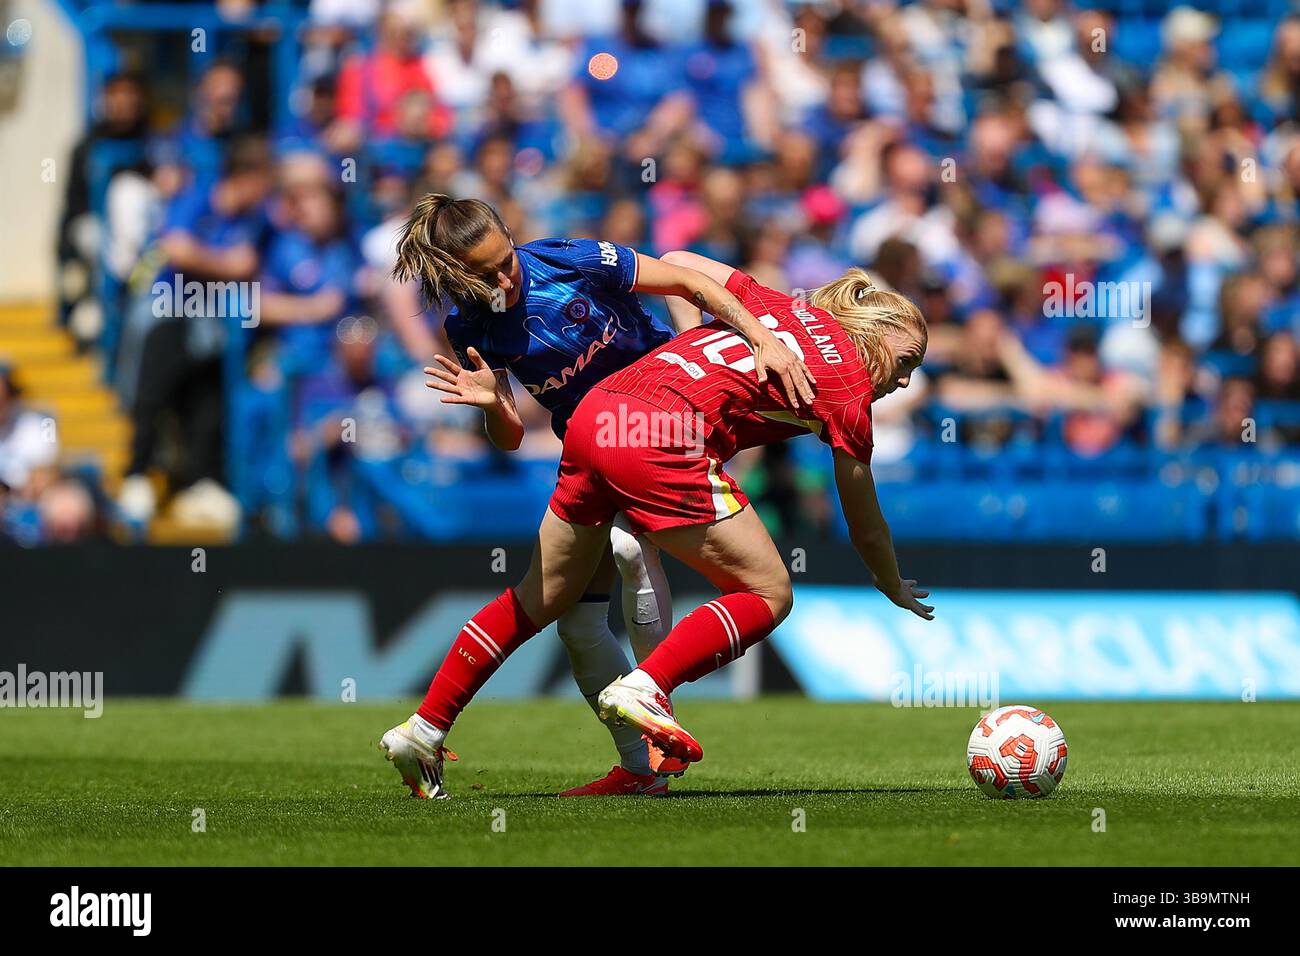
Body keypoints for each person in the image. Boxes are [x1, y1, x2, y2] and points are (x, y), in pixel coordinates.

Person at [379, 253, 933, 799]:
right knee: (767, 591)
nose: (906, 381)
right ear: (873, 335)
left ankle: (424, 729)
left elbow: (681, 261)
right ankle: (647, 688)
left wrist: (688, 339)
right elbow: (863, 520)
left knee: (541, 596)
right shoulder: (849, 391)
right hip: (660, 435)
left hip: (597, 415)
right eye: (907, 360)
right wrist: (890, 581)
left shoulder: (777, 306)